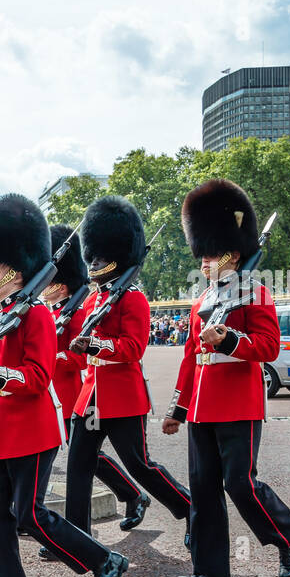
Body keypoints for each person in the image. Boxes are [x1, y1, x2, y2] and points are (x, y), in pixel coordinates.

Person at [0, 193, 128, 577]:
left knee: (30, 516)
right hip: (5, 434)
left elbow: (36, 377)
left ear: (17, 272)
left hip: (35, 431)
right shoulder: (5, 314)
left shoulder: (34, 315)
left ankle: (104, 561)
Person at [163, 179, 290, 577]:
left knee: (239, 483)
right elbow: (191, 358)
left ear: (234, 252)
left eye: (213, 253)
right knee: (204, 490)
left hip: (240, 403)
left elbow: (269, 347)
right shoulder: (200, 301)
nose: (206, 261)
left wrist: (228, 339)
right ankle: (210, 569)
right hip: (203, 409)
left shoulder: (255, 293)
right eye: (203, 255)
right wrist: (177, 408)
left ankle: (287, 537)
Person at [64, 196, 191, 544]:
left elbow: (133, 348)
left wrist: (93, 345)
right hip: (90, 397)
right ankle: (77, 536)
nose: (96, 262)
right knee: (79, 466)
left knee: (140, 466)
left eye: (102, 257)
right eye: (94, 256)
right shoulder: (92, 299)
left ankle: (189, 507)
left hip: (121, 398)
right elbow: (81, 352)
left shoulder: (132, 298)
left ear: (118, 257)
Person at [39, 223, 147, 561]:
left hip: (94, 392)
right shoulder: (72, 306)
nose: (47, 290)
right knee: (80, 464)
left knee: (130, 462)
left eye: (52, 285)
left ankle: (151, 497)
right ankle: (78, 538)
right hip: (76, 395)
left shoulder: (115, 302)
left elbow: (113, 351)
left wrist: (65, 354)